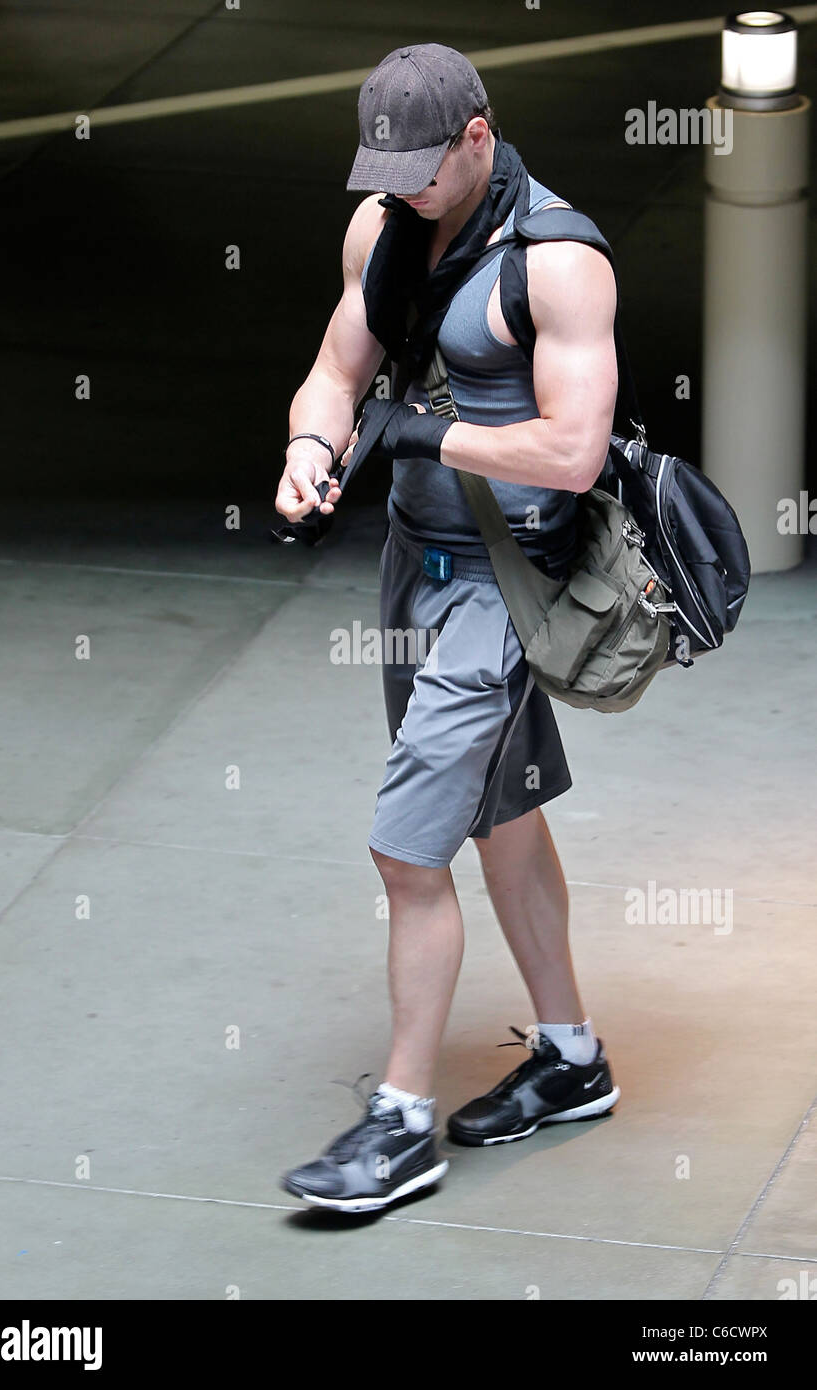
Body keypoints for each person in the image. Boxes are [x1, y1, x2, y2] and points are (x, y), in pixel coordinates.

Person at [274, 43, 621, 1214]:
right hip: (409, 569)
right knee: (498, 815)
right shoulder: (379, 230)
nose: (407, 186)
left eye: (425, 166)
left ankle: (401, 1123)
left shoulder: (558, 262)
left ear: (479, 135)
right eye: (387, 169)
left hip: (508, 582)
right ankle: (570, 1058)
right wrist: (310, 452)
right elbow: (335, 365)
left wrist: (425, 439)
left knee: (406, 848)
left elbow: (572, 452)